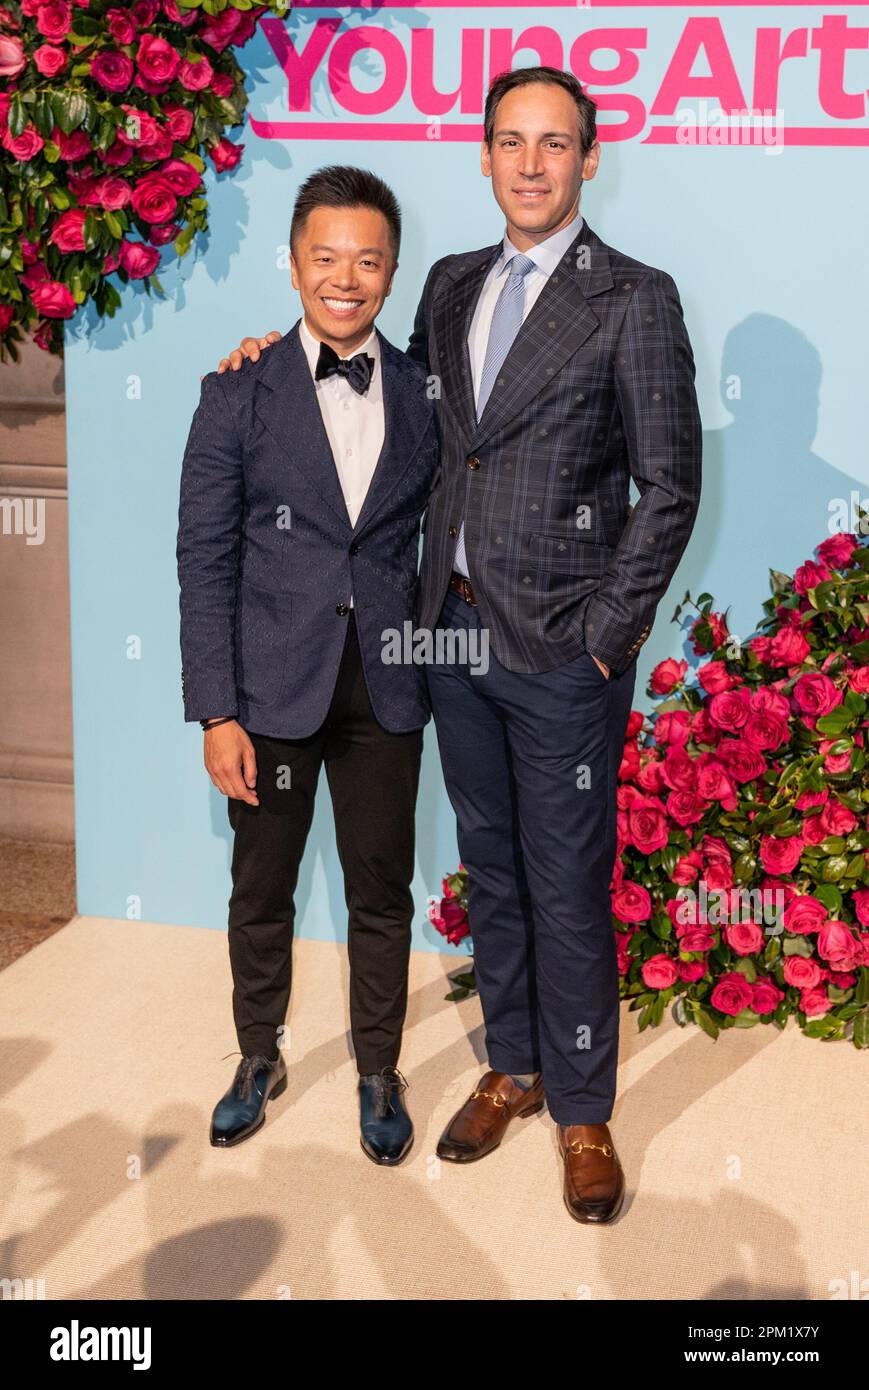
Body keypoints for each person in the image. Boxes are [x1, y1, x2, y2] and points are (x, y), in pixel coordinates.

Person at [216, 66, 702, 1223]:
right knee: (491, 867)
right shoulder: (446, 283)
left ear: (589, 158)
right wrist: (265, 369)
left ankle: (583, 1110)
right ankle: (517, 1063)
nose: (530, 162)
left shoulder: (631, 296)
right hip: (448, 640)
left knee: (567, 880)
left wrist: (603, 635)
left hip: (559, 650)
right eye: (508, 141)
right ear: (481, 157)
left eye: (553, 143)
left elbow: (669, 484)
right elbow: (390, 407)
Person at [178, 166, 439, 1161]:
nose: (345, 277)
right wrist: (216, 711)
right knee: (262, 889)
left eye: (366, 260)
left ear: (390, 271)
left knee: (380, 888)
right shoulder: (235, 392)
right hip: (267, 692)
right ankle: (258, 1055)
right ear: (291, 266)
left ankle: (378, 1068)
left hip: (386, 687)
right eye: (324, 257)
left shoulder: (422, 388)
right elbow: (202, 558)